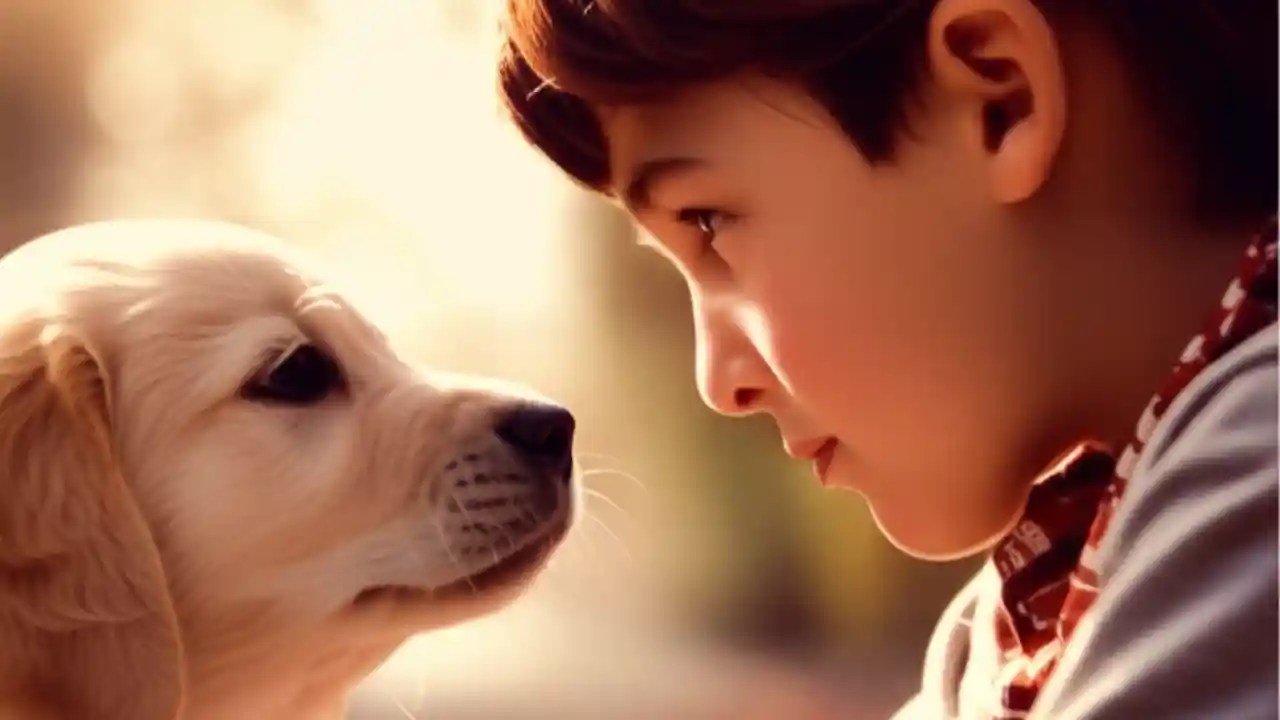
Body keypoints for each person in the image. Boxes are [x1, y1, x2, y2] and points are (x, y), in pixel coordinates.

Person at [494, 0, 1278, 716]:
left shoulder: (1256, 479)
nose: (717, 382)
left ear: (1000, 100)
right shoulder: (1031, 609)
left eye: (709, 223)